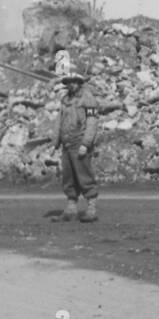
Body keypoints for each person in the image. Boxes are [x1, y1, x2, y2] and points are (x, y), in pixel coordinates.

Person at [54, 62, 101, 222]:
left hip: (79, 143)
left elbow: (92, 123)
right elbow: (59, 120)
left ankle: (91, 208)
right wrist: (56, 141)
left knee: (84, 176)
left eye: (74, 82)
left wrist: (85, 144)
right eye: (68, 82)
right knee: (69, 178)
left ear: (80, 82)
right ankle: (71, 209)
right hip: (67, 145)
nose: (71, 85)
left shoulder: (88, 99)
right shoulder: (65, 100)